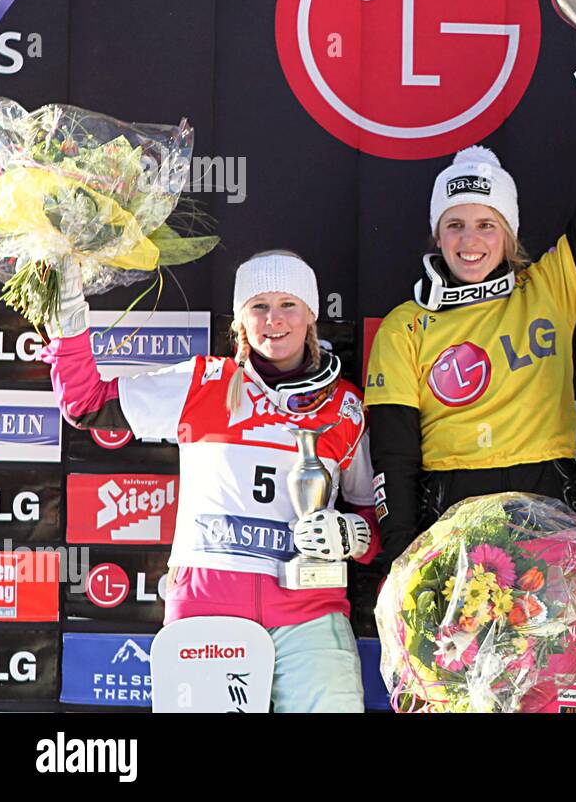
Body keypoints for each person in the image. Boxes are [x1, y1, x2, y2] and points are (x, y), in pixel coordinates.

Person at [41, 250, 379, 713]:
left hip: (310, 615)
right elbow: (86, 404)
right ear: (240, 320)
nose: (274, 320)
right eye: (259, 306)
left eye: (288, 305)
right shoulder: (204, 382)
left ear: (311, 317)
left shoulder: (345, 406)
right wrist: (68, 326)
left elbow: (370, 514)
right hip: (208, 609)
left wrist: (353, 536)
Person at [364, 33, 576, 565]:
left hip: (546, 493)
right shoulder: (405, 326)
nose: (470, 241)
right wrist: (401, 558)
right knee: (461, 648)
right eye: (455, 225)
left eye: (487, 225)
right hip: (449, 502)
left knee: (549, 648)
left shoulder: (550, 287)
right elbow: (394, 456)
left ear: (508, 236)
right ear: (436, 236)